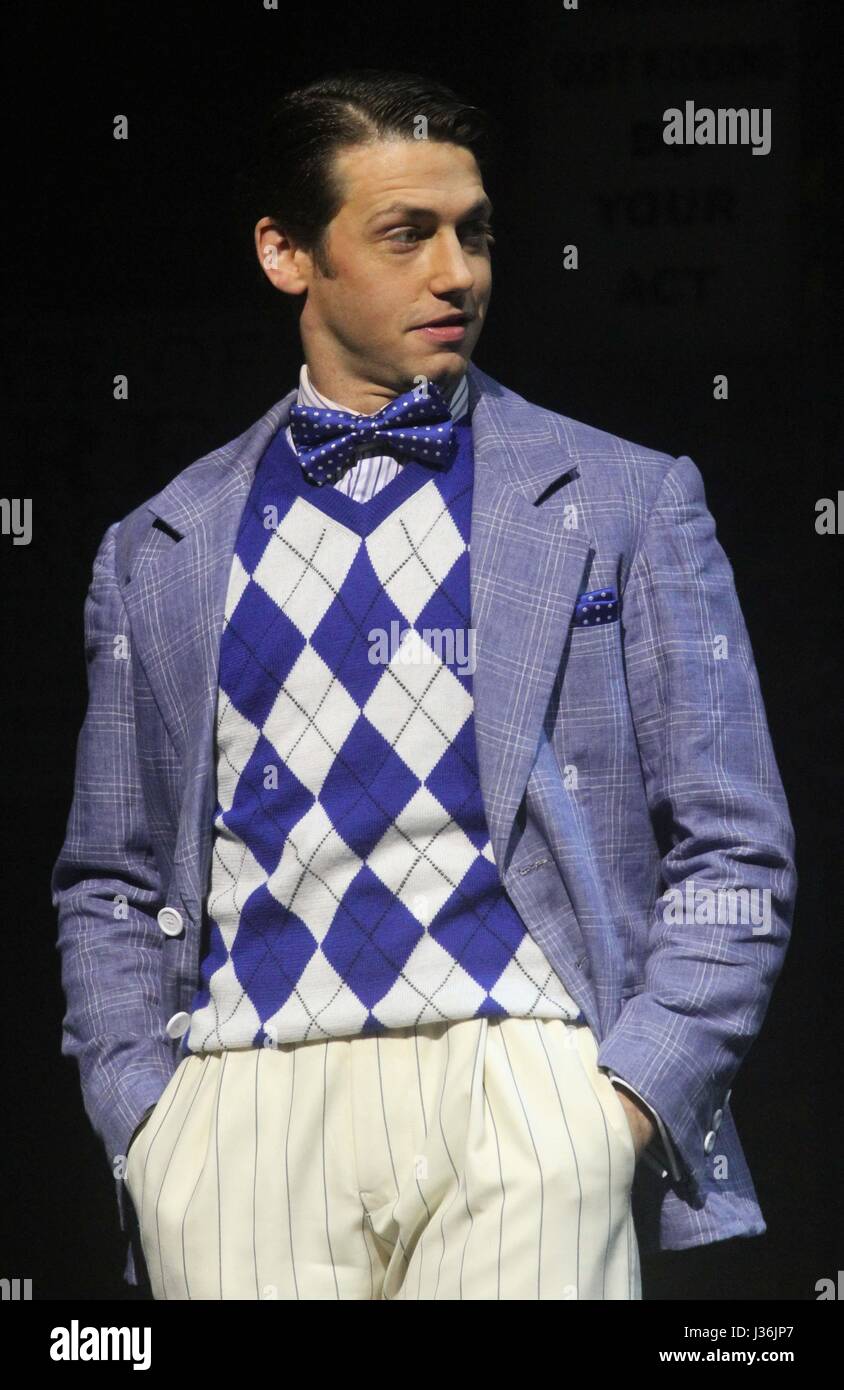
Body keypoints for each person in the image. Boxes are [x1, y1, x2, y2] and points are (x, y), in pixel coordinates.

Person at [51, 68, 797, 1301]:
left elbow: (735, 851)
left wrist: (622, 1101)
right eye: (407, 235)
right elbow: (111, 878)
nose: (458, 271)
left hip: (527, 1088)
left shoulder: (623, 501)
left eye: (475, 231)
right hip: (238, 1108)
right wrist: (148, 1123)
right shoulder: (156, 550)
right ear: (286, 253)